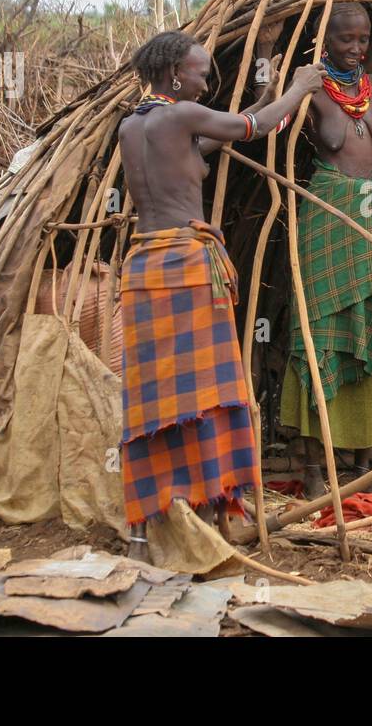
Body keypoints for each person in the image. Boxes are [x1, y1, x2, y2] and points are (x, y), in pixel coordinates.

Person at [117, 29, 322, 560]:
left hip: (142, 268)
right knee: (207, 394)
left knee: (151, 401)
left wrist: (264, 87)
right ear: (173, 73)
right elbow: (253, 128)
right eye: (201, 73)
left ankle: (143, 530)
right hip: (186, 265)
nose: (207, 84)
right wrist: (300, 87)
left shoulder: (135, 126)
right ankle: (209, 512)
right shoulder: (181, 117)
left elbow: (218, 136)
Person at [277, 3, 372, 498]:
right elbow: (268, 124)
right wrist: (280, 81)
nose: (355, 49)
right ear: (326, 40)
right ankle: (315, 467)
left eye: (363, 39)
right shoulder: (310, 83)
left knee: (370, 319)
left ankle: (359, 467)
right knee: (320, 327)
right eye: (345, 40)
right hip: (328, 208)